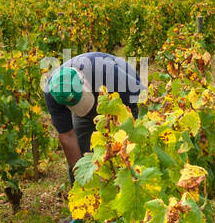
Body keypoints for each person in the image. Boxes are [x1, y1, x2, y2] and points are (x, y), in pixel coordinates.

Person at [43, 53, 142, 182]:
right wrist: (81, 179)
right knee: (81, 156)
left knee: (125, 150)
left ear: (83, 80)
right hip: (89, 102)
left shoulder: (109, 72)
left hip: (119, 100)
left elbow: (134, 108)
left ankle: (128, 183)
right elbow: (67, 136)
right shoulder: (53, 92)